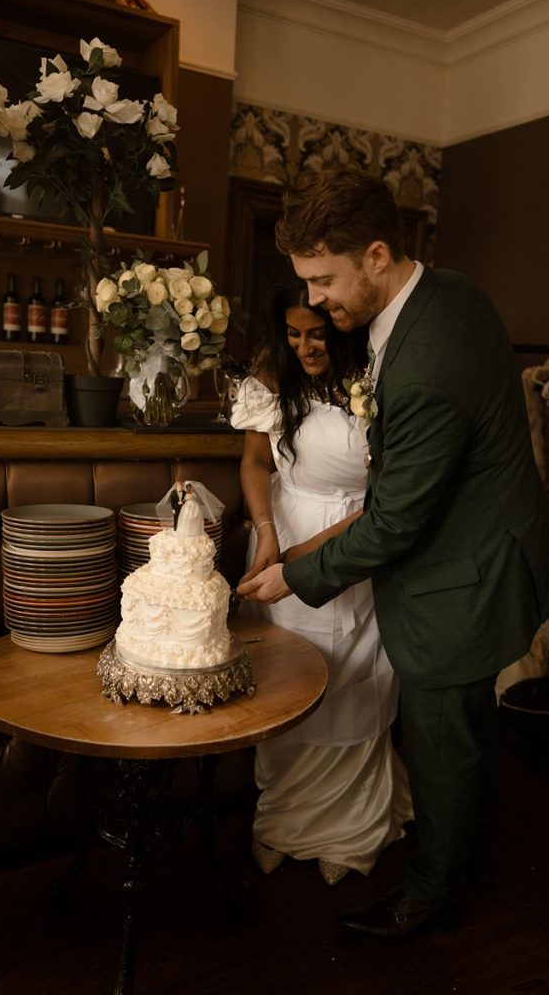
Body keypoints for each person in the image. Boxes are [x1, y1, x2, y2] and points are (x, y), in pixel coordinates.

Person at [238, 168, 549, 937]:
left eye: (323, 280)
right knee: (469, 729)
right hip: (492, 539)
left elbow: (390, 525)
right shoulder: (446, 291)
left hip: (464, 574)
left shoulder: (422, 364)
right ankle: (471, 858)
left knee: (440, 734)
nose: (314, 301)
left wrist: (290, 576)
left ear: (377, 255)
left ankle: (431, 894)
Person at [231, 279, 412, 887]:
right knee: (285, 682)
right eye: (293, 333)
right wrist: (266, 534)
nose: (306, 347)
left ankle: (352, 826)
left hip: (356, 543)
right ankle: (282, 820)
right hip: (281, 529)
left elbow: (389, 500)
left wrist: (302, 561)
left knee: (350, 678)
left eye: (317, 333)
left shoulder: (380, 377)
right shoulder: (273, 375)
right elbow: (256, 461)